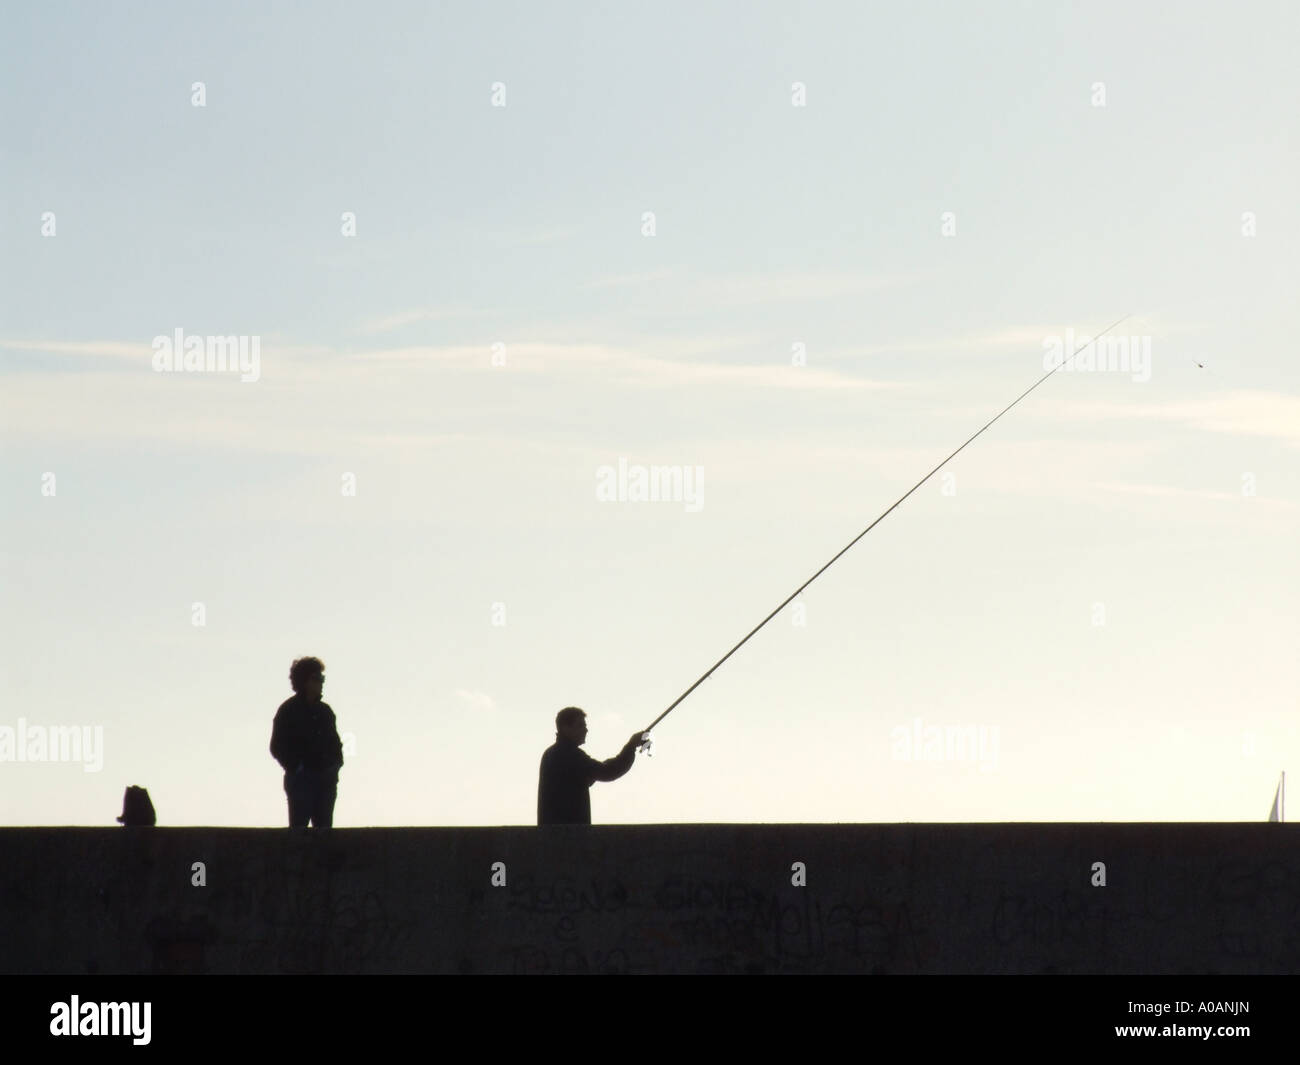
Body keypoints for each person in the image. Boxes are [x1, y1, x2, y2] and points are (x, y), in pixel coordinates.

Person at [537, 707, 646, 825]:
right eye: (580, 725)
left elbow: (595, 771)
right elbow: (608, 772)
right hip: (569, 836)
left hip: (553, 834)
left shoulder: (551, 754)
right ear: (565, 728)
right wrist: (631, 745)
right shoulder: (570, 755)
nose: (586, 730)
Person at [270, 657, 344, 828]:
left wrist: (334, 767)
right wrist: (298, 768)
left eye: (322, 678)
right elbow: (277, 746)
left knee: (324, 836)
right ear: (304, 681)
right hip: (301, 783)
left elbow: (335, 744)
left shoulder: (325, 712)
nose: (321, 683)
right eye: (317, 678)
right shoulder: (288, 711)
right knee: (299, 836)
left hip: (325, 782)